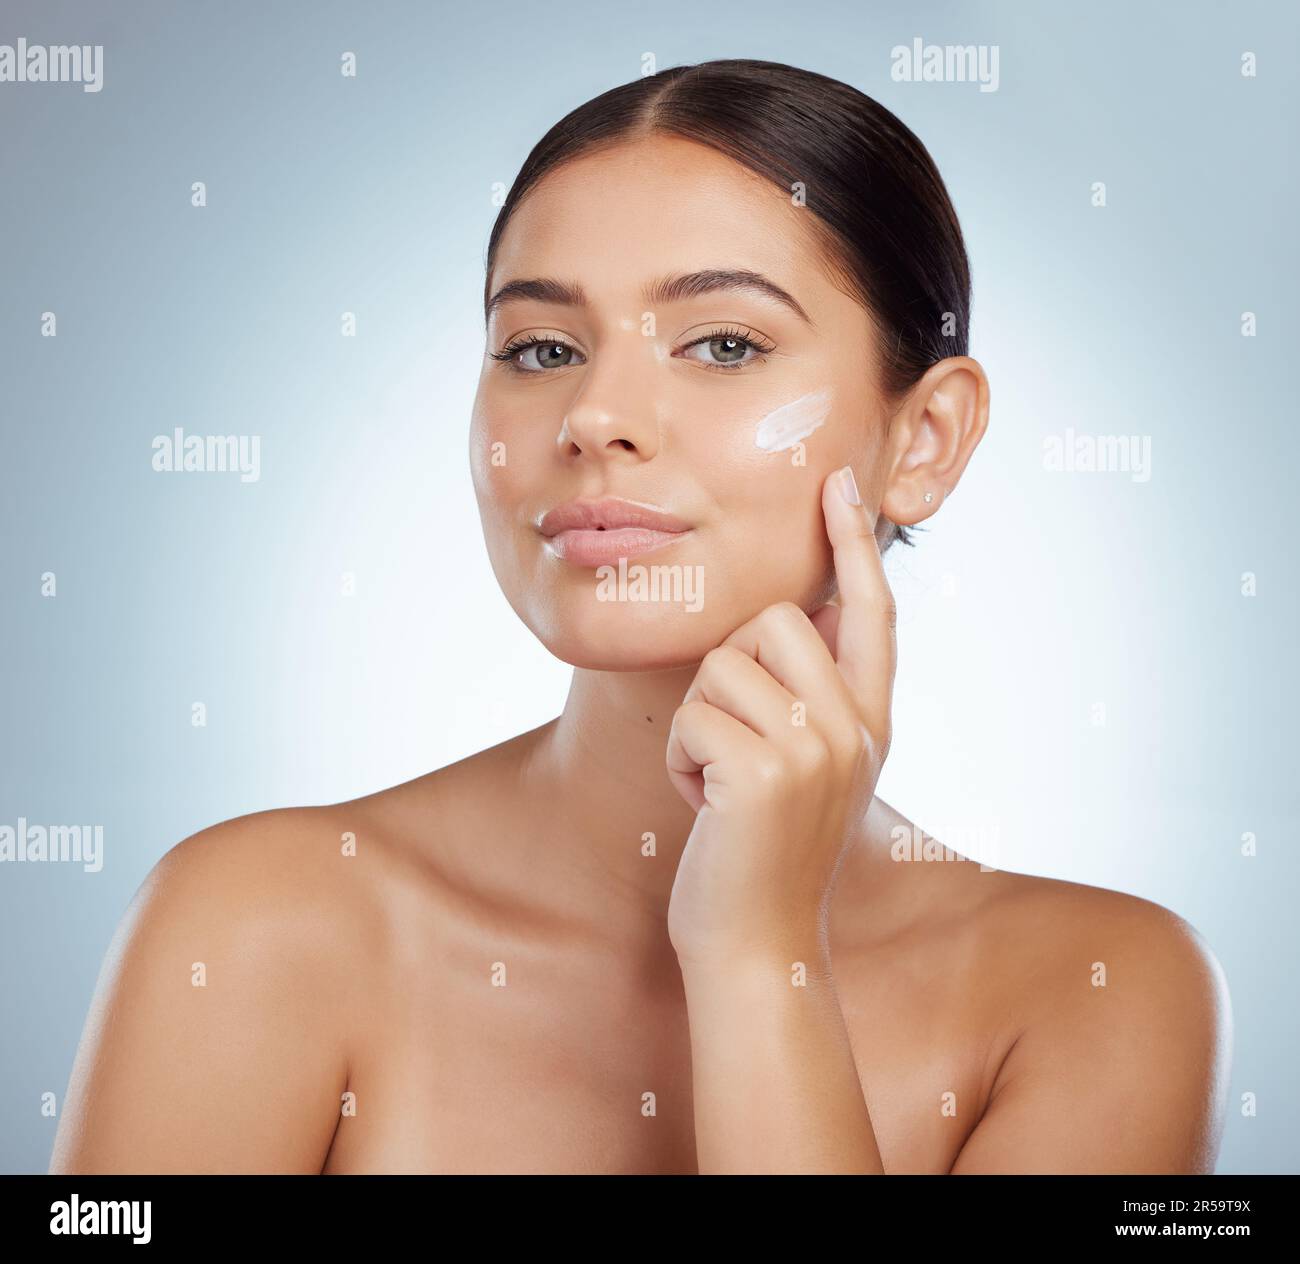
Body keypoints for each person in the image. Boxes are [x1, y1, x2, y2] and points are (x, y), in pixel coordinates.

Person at [49, 59, 1230, 1175]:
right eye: (542, 346)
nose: (597, 415)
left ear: (922, 440)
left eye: (724, 344)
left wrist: (758, 951)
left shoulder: (1100, 989)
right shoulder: (254, 926)